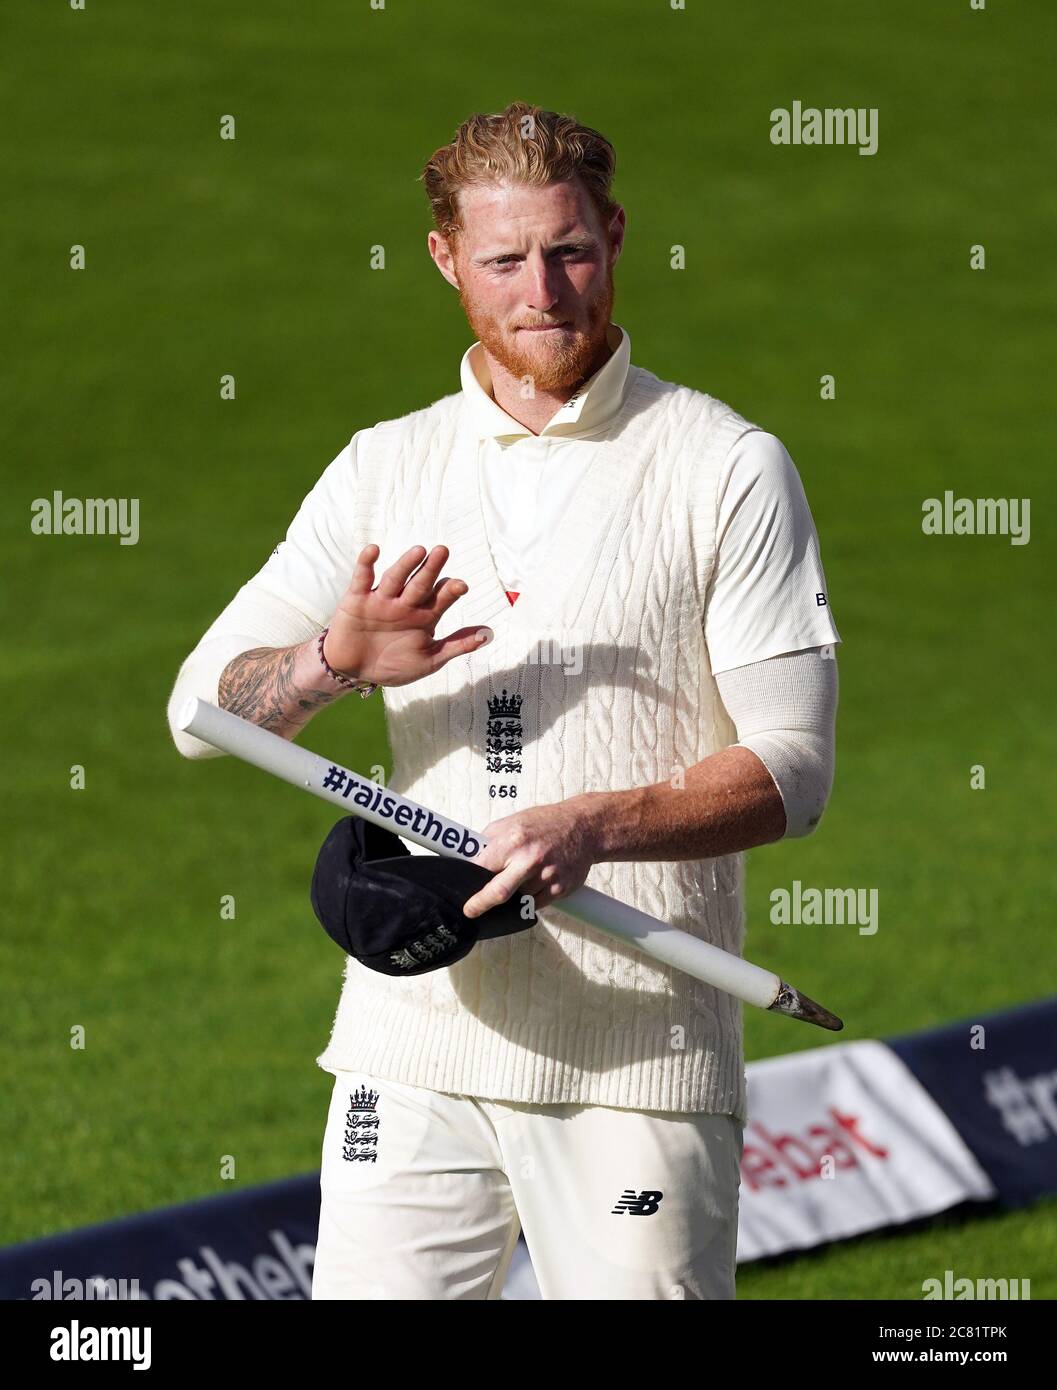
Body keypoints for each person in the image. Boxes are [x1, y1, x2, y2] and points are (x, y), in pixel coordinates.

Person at [167, 100, 841, 1300]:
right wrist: (332, 660)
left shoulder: (724, 465)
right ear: (443, 259)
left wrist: (593, 826)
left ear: (617, 236)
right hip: (410, 1038)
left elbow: (793, 773)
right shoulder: (386, 465)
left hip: (637, 1054)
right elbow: (198, 714)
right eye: (503, 259)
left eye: (570, 249)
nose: (544, 290)